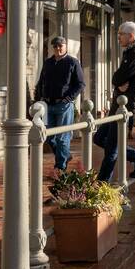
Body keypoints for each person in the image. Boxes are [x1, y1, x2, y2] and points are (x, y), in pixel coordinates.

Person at [97, 21, 135, 183]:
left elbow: (117, 78)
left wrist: (120, 82)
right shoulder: (131, 52)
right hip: (119, 104)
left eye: (121, 34)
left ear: (131, 36)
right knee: (99, 138)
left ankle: (102, 184)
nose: (118, 37)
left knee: (112, 147)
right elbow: (119, 79)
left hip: (127, 105)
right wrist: (119, 82)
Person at [33, 35, 85, 173]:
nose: (57, 48)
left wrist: (68, 99)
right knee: (49, 137)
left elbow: (80, 84)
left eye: (60, 45)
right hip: (47, 105)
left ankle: (60, 167)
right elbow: (41, 82)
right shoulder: (48, 63)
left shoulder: (73, 62)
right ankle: (65, 155)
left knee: (63, 137)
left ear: (65, 46)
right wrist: (38, 100)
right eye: (55, 46)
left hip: (63, 105)